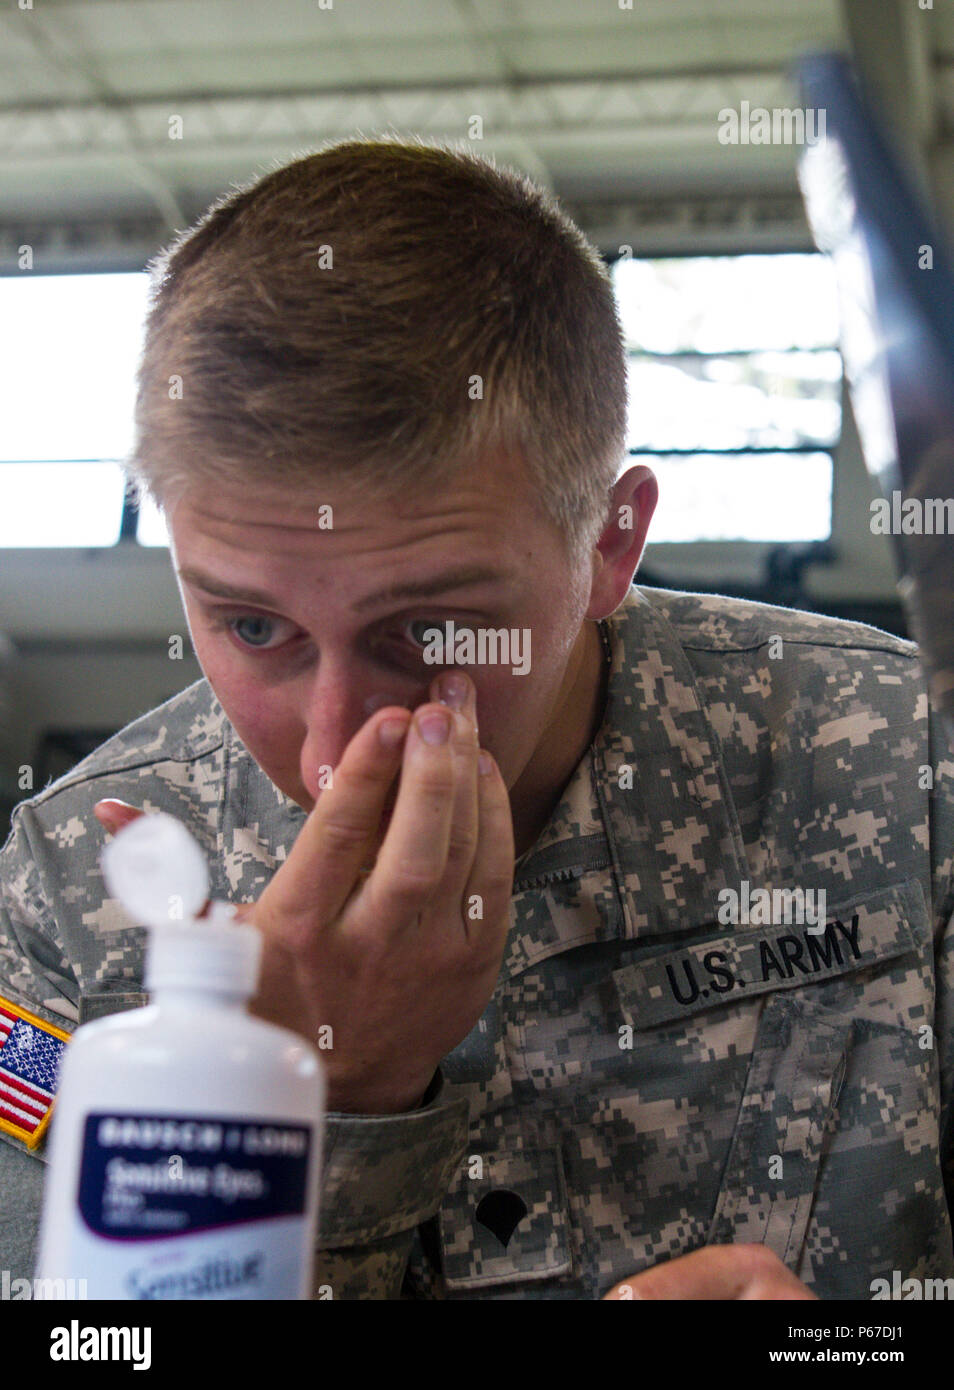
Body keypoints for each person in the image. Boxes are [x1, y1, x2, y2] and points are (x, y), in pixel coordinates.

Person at [1, 138, 951, 1300]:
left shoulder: (907, 772)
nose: (330, 746)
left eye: (430, 631)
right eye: (253, 628)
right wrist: (331, 1097)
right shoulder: (64, 905)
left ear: (608, 544)